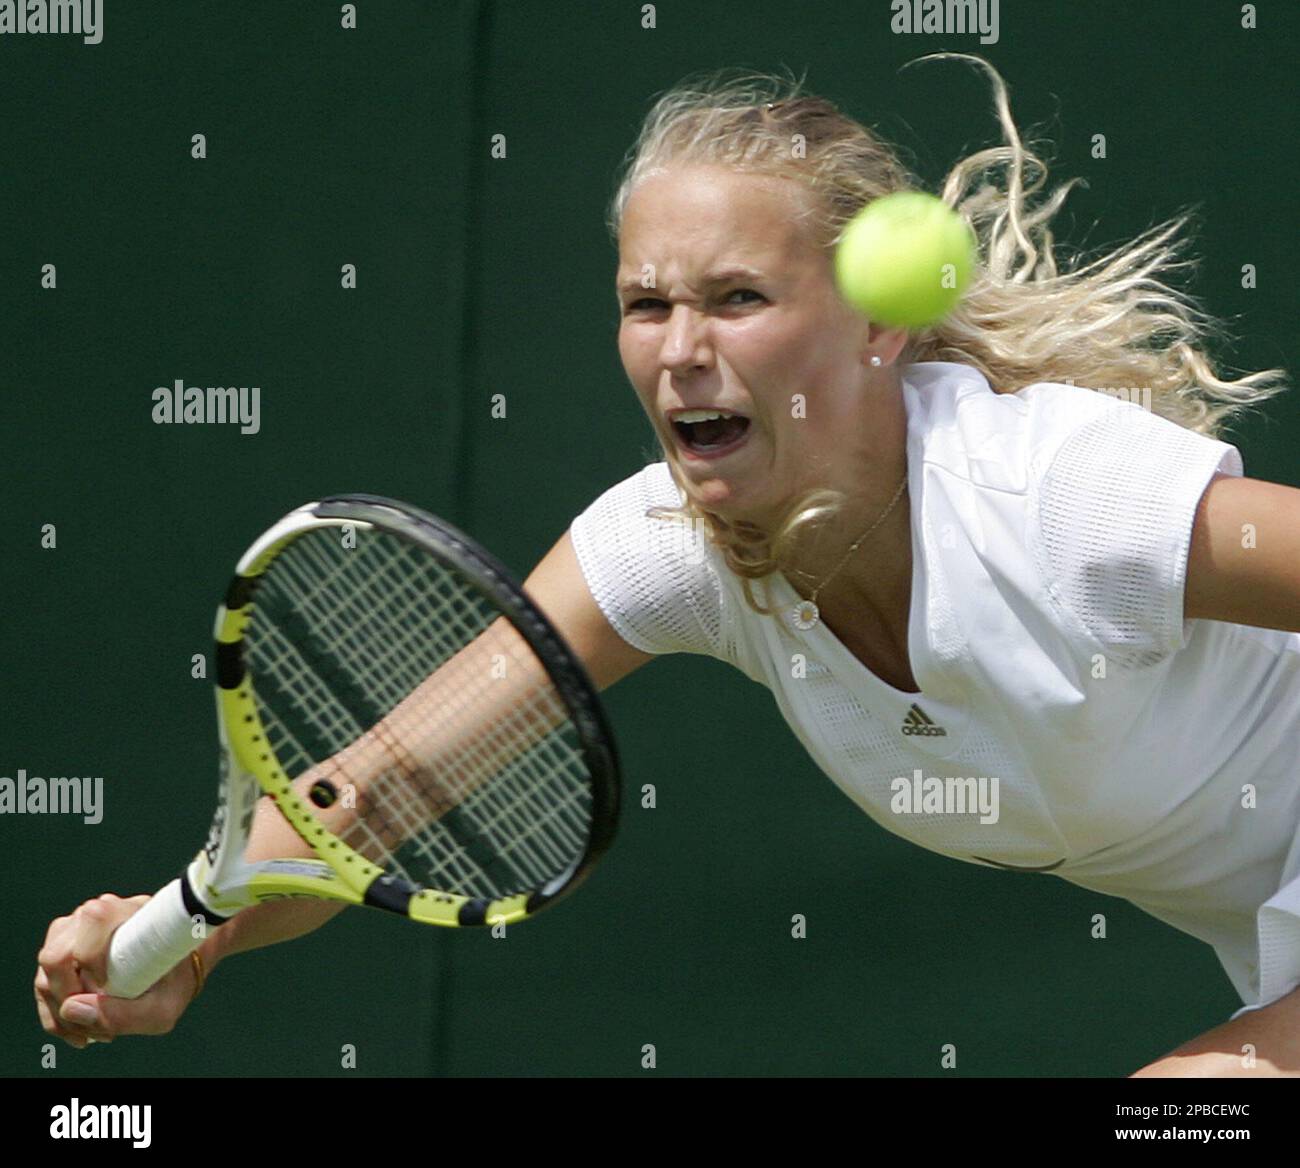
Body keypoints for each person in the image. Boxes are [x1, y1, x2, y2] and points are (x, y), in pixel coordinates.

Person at [36, 56, 1300, 1077]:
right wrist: (188, 939)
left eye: (739, 297)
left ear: (877, 321)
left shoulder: (1058, 499)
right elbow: (379, 791)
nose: (682, 349)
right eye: (647, 304)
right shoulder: (670, 546)